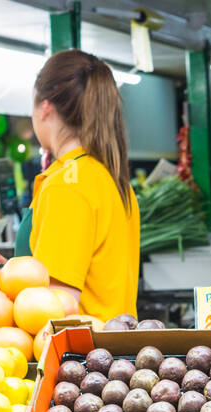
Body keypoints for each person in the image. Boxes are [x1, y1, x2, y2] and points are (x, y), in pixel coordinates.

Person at [21, 49, 141, 320]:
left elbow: (57, 306)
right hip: (111, 354)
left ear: (45, 108)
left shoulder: (67, 186)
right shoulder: (107, 176)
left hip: (78, 358)